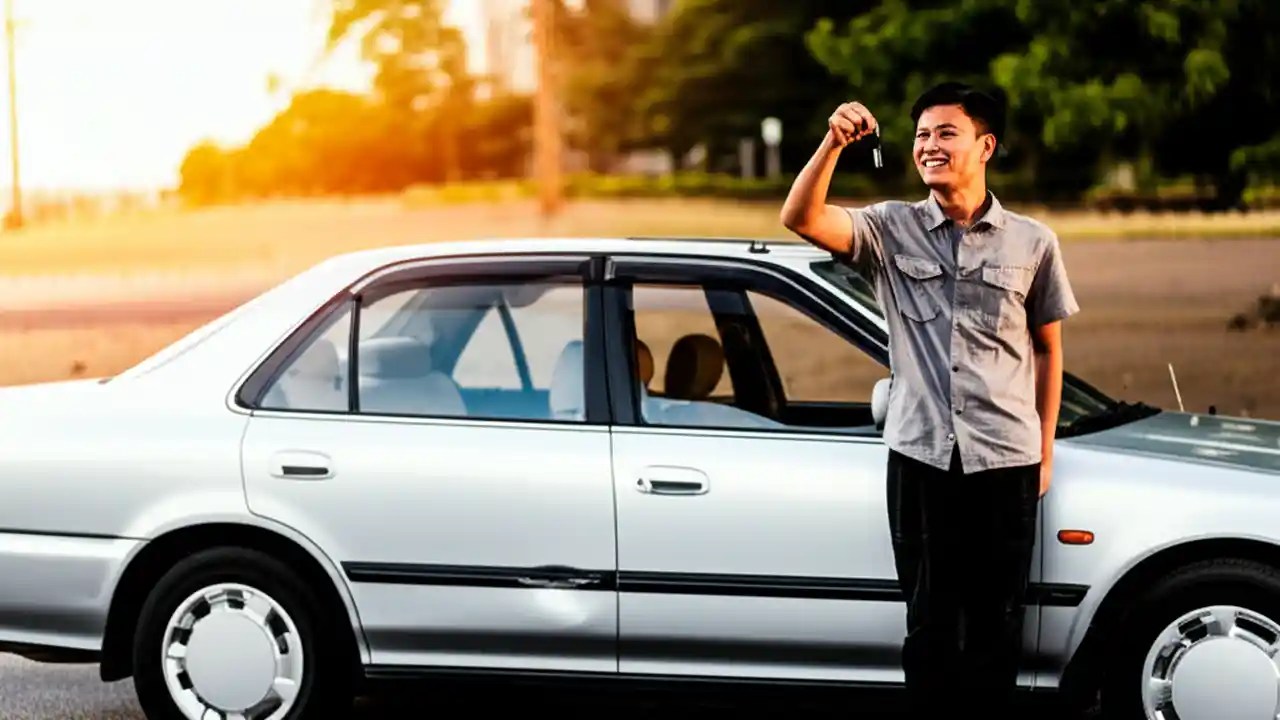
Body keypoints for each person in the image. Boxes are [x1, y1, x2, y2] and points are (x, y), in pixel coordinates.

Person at [779, 81, 1080, 718]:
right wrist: (834, 142)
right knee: (930, 626)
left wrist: (1045, 452)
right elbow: (801, 218)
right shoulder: (889, 228)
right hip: (920, 461)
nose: (929, 146)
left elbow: (1049, 352)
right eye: (921, 135)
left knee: (998, 628)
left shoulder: (1033, 243)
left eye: (946, 133)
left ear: (985, 145)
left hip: (1007, 462)